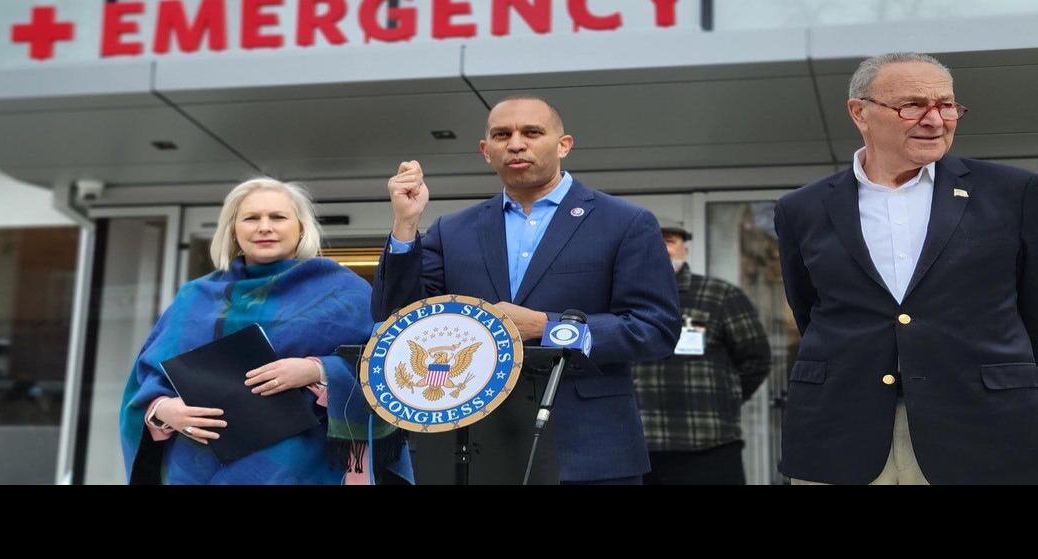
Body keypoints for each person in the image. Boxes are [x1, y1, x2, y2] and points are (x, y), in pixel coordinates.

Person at [371, 95, 681, 484]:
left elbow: (655, 331)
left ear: (563, 144)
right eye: (502, 135)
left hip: (588, 450)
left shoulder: (625, 222)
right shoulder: (453, 230)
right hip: (473, 445)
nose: (516, 143)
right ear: (486, 151)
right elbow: (396, 318)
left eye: (532, 132)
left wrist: (545, 327)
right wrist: (405, 225)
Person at [775, 52, 1038, 484]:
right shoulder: (800, 209)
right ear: (860, 113)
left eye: (947, 105)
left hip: (983, 434)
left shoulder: (1015, 193)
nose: (935, 119)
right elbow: (809, 310)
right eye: (912, 105)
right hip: (840, 437)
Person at [120, 178, 412, 484]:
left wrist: (316, 370)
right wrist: (165, 410)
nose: (264, 227)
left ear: (301, 227)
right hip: (196, 468)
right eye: (251, 218)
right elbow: (147, 380)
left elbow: (386, 369)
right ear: (233, 230)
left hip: (304, 468)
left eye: (278, 217)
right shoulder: (195, 296)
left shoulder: (343, 290)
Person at [633, 221, 770, 485]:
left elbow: (756, 358)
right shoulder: (620, 297)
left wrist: (723, 398)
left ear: (685, 248)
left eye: (669, 240)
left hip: (709, 446)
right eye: (652, 242)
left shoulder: (720, 295)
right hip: (637, 447)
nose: (661, 249)